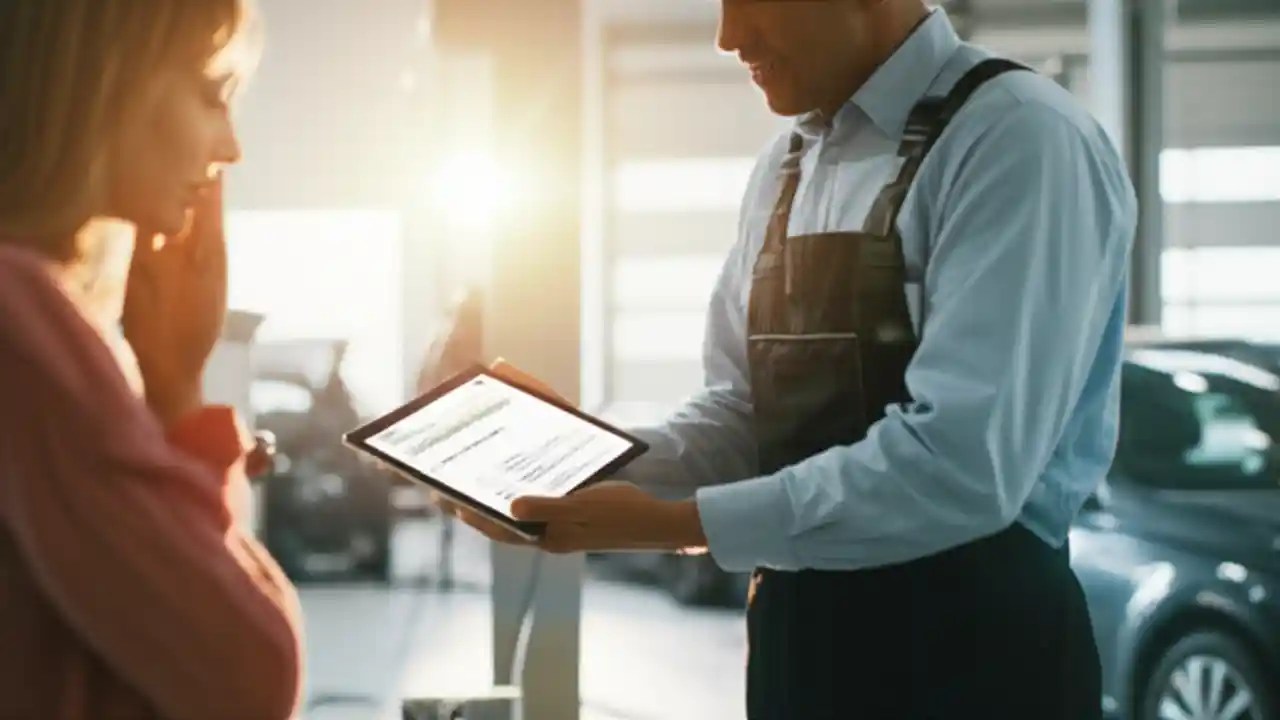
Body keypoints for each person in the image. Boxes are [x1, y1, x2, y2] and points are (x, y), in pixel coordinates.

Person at [459, 1, 1137, 718]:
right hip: (800, 656)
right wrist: (576, 460)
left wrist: (680, 527)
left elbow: (960, 464)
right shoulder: (786, 168)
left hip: (977, 664)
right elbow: (744, 419)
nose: (729, 38)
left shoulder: (1017, 138)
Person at [0, 2, 304, 718]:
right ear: (103, 82)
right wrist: (178, 400)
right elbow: (250, 674)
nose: (230, 148)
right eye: (209, 94)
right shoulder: (21, 315)